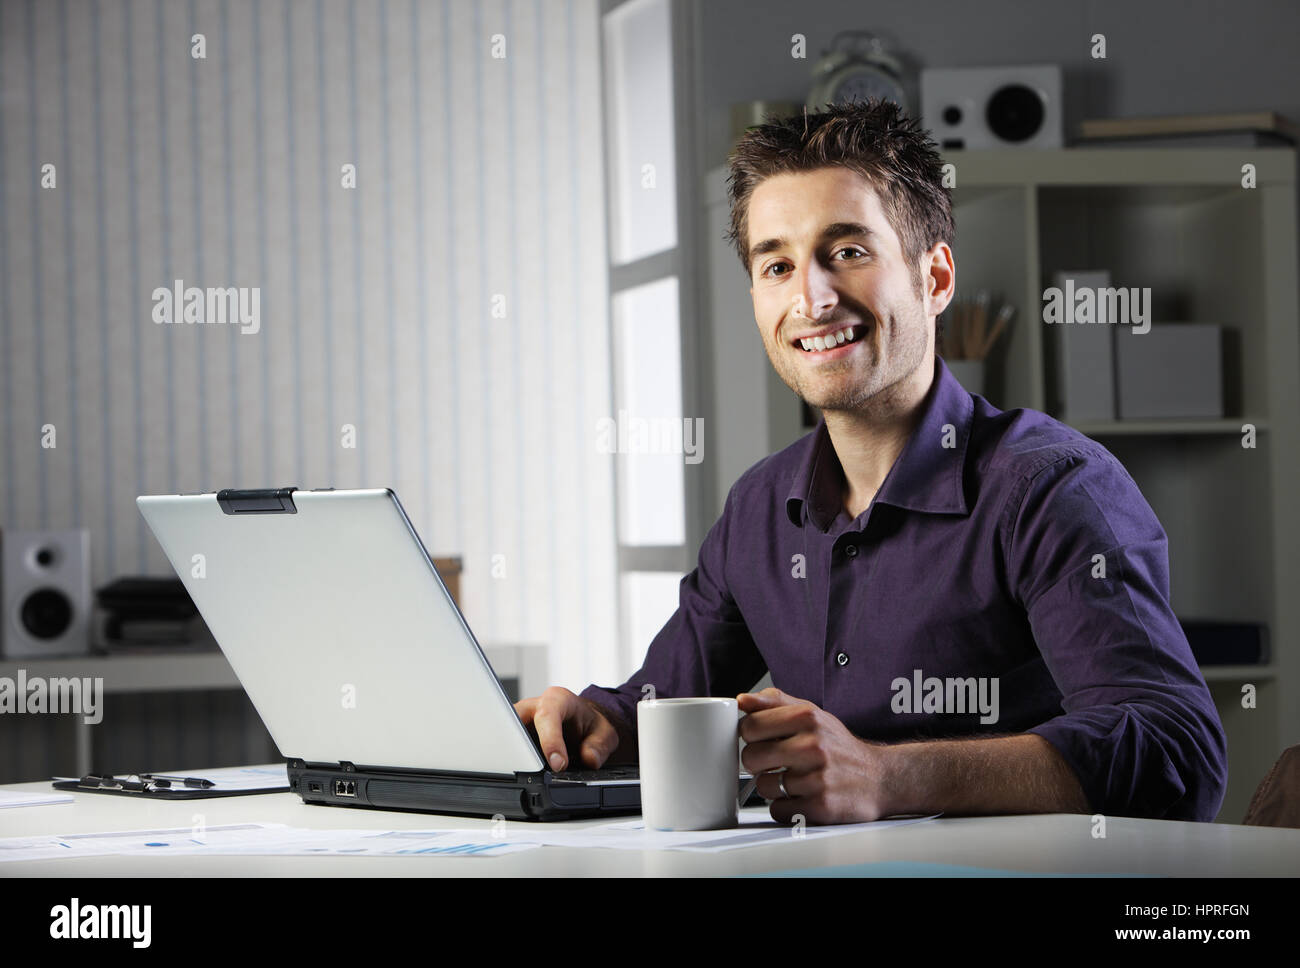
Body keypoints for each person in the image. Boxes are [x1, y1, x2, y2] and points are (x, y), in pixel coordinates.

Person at [515, 99, 1227, 824]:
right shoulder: (760, 509)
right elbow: (666, 698)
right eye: (778, 265)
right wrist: (598, 720)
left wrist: (890, 778)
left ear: (936, 278)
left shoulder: (1049, 488)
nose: (812, 298)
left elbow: (1178, 751)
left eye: (848, 252)